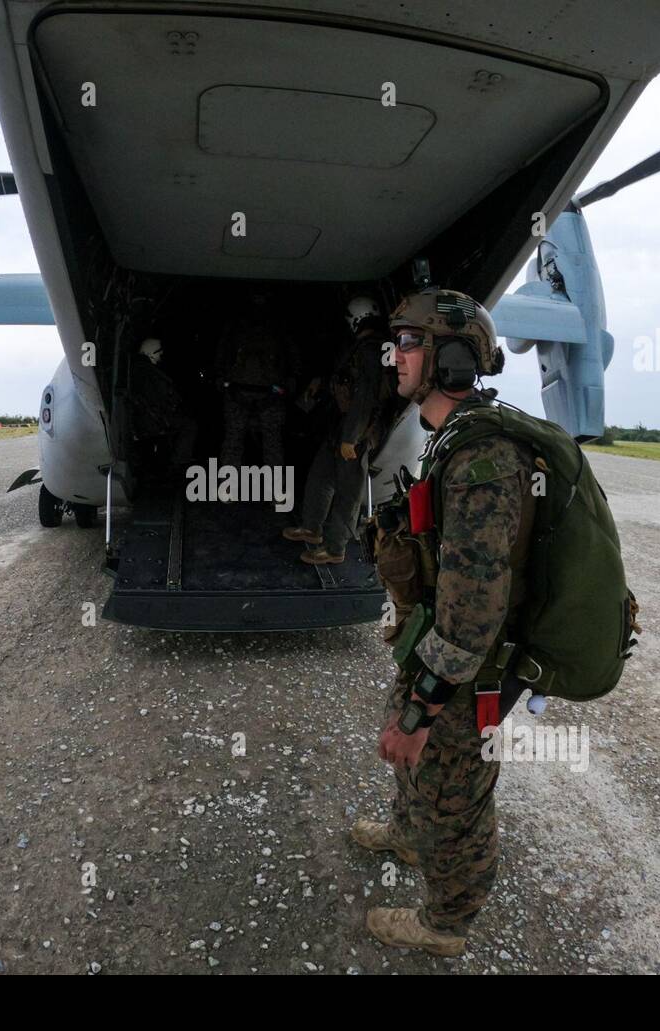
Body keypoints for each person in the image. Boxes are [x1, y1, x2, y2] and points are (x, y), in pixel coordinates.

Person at [350, 289, 536, 957]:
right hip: (436, 647)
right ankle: (406, 831)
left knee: (455, 799)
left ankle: (446, 923)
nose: (393, 354)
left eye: (408, 342)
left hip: (468, 670)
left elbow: (474, 608)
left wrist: (423, 709)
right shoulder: (452, 440)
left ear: (451, 359)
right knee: (418, 766)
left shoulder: (480, 464)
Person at [282, 296, 388, 564]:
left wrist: (351, 438)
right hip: (340, 424)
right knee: (320, 476)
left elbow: (365, 398)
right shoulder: (359, 347)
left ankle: (335, 548)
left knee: (347, 490)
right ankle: (312, 528)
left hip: (358, 430)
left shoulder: (370, 351)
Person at [216, 294, 295, 468]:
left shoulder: (275, 326)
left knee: (242, 440)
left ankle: (232, 485)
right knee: (262, 440)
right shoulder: (241, 325)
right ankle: (269, 485)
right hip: (251, 389)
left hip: (261, 390)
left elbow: (291, 357)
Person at [129, 337, 196, 465]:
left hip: (149, 415)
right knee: (189, 425)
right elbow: (159, 398)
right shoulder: (147, 372)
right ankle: (180, 461)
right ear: (151, 352)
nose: (161, 355)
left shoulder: (140, 368)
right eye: (158, 352)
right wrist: (172, 406)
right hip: (152, 418)